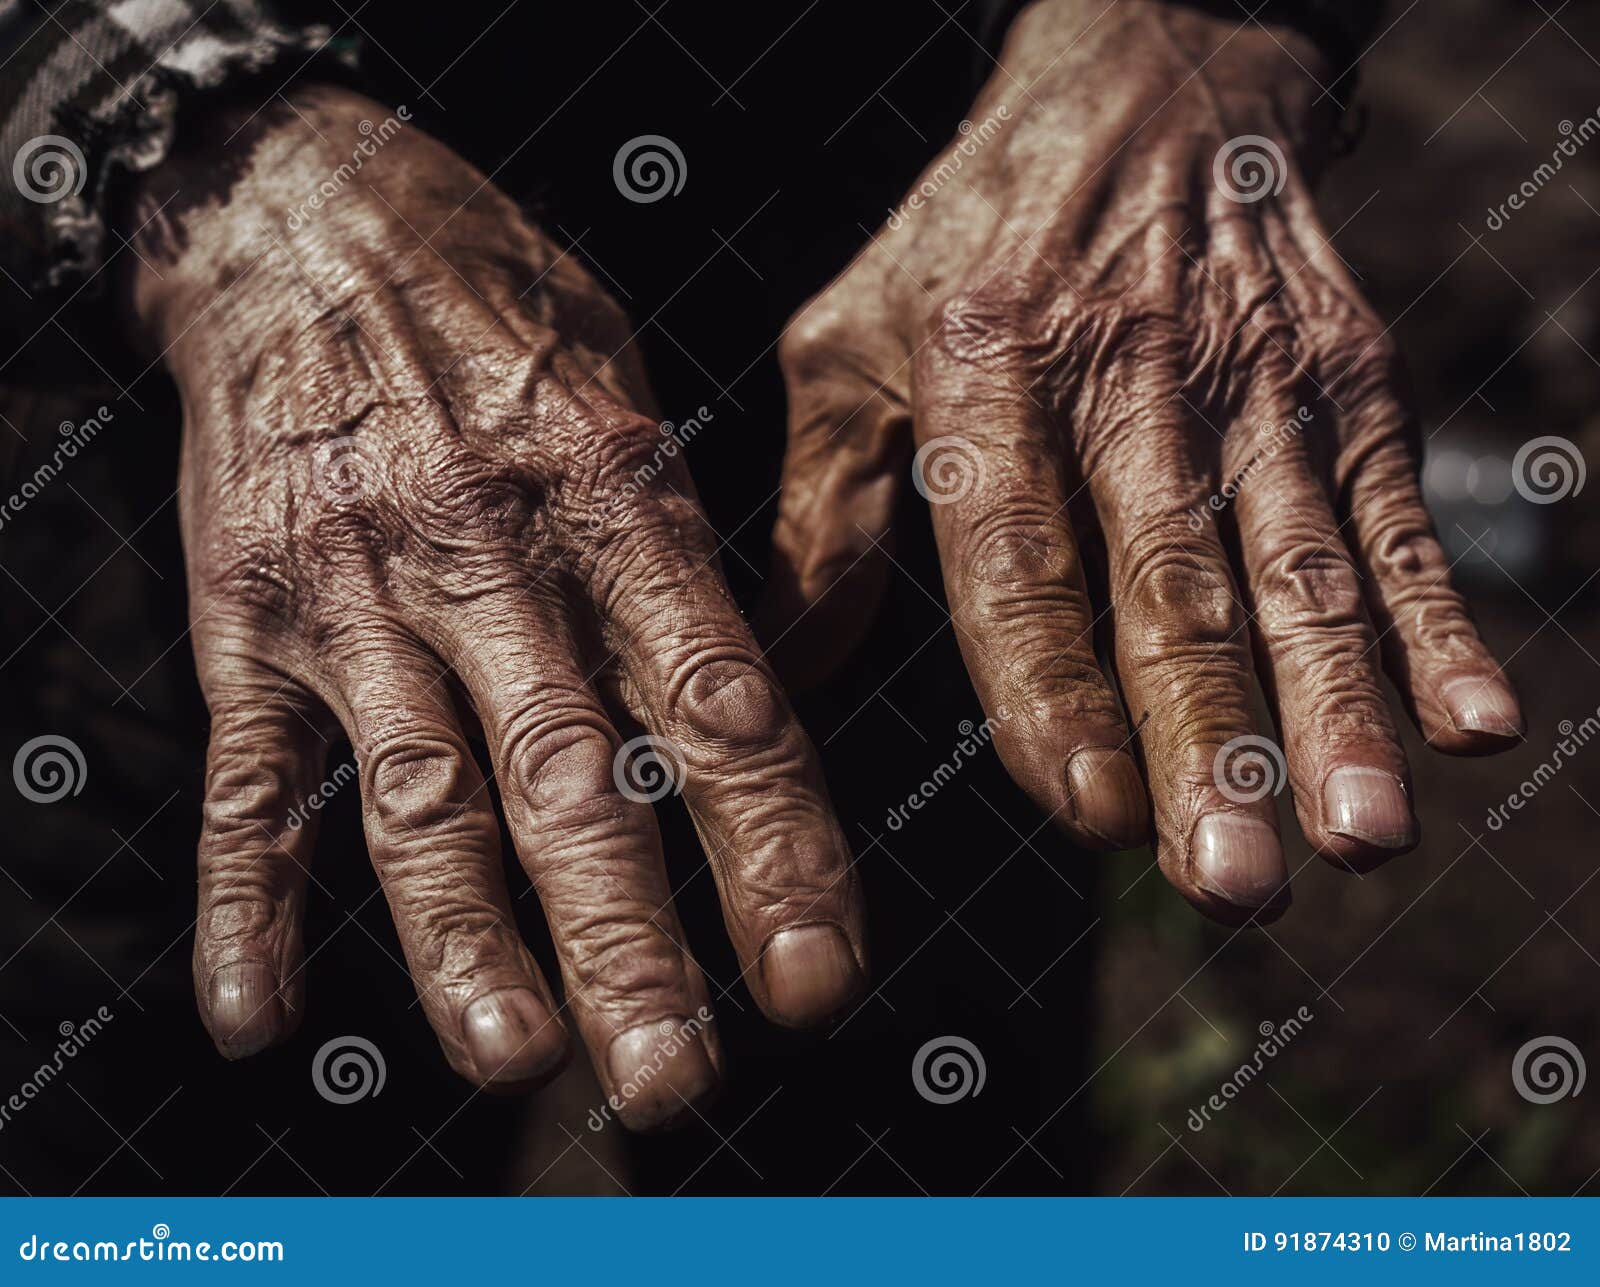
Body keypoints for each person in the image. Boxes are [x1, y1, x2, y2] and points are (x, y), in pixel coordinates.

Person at [0, 0, 1521, 1185]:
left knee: (895, 1136)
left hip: (940, 365)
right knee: (215, 1130)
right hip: (225, 464)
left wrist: (1195, 35)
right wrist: (193, 147)